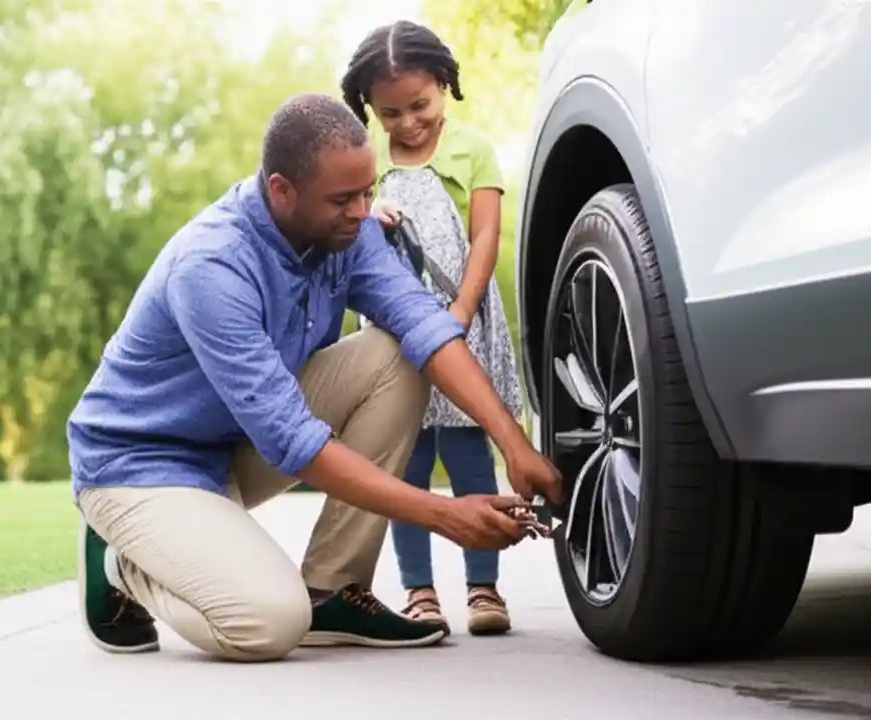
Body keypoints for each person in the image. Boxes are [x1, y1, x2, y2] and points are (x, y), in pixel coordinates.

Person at [66, 92, 562, 663]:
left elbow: (424, 326)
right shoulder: (213, 267)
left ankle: (332, 590)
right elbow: (294, 442)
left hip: (228, 443)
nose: (362, 210)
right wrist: (447, 515)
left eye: (367, 191)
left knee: (397, 355)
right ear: (282, 190)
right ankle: (127, 560)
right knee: (269, 623)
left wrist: (514, 442)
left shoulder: (345, 236)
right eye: (342, 199)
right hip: (139, 466)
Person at [340, 20, 523, 636]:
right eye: (389, 112)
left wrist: (461, 316)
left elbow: (485, 238)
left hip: (462, 318)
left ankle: (484, 588)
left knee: (470, 454)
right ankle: (418, 590)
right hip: (393, 331)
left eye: (419, 105)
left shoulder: (471, 149)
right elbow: (347, 228)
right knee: (405, 461)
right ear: (370, 108)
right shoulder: (366, 161)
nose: (408, 123)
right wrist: (374, 212)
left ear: (444, 84)